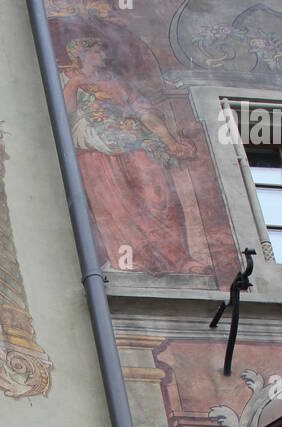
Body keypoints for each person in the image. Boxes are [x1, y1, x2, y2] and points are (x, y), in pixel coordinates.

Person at [62, 37, 202, 273]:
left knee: (159, 196)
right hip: (94, 147)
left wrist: (169, 141)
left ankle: (179, 259)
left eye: (102, 51)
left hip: (134, 142)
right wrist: (73, 85)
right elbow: (64, 113)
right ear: (81, 55)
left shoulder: (118, 83)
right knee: (114, 204)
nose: (102, 56)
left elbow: (145, 112)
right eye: (95, 52)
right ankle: (130, 261)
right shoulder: (67, 79)